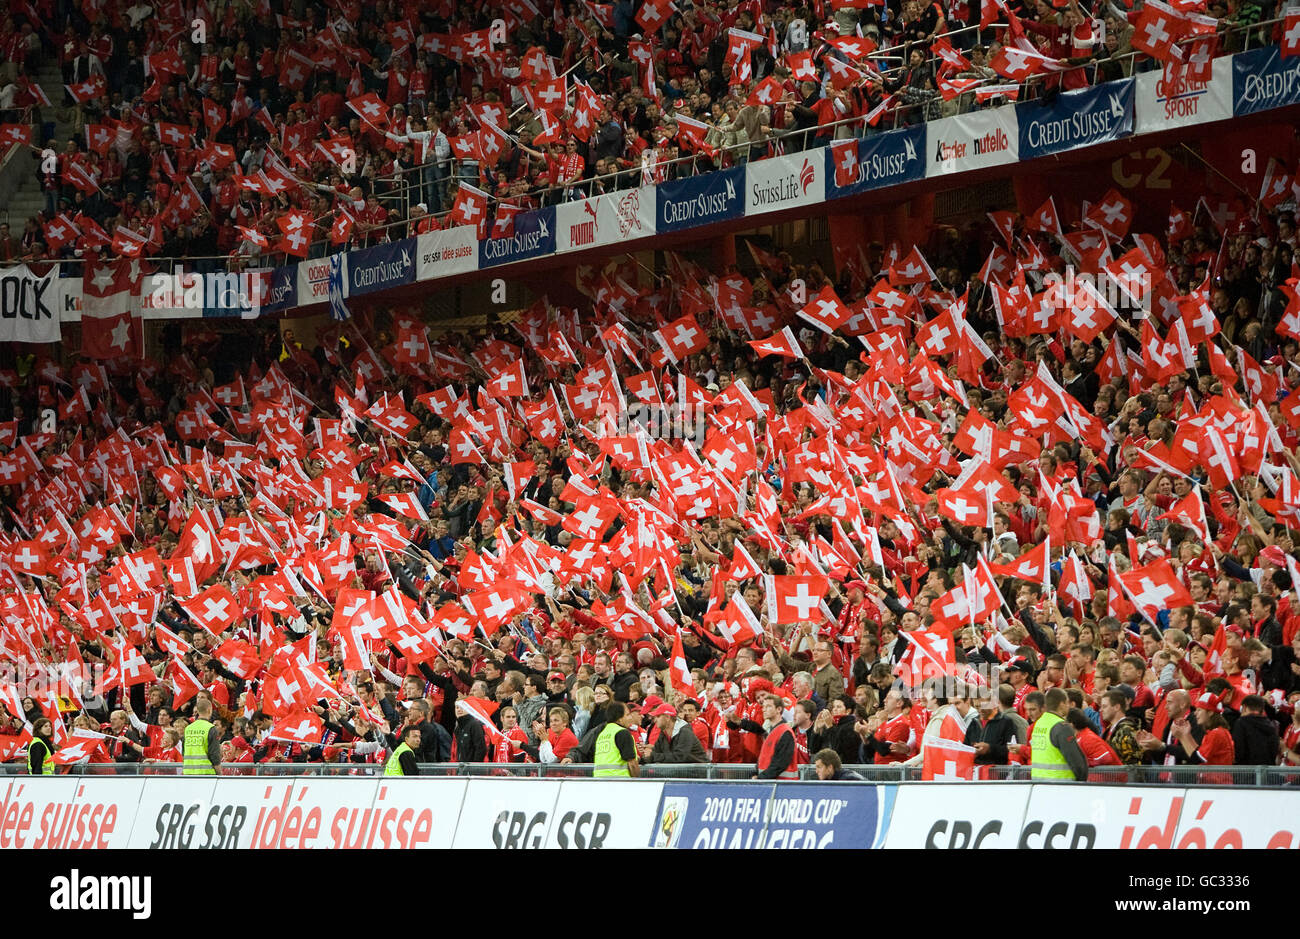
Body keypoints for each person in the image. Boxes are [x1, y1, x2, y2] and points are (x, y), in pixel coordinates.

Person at [1030, 688, 1088, 781]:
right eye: (1067, 703)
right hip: (1061, 784)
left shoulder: (1039, 723)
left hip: (1039, 784)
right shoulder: (1062, 727)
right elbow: (1074, 759)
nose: (1068, 706)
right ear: (1062, 704)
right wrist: (1082, 779)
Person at [639, 704, 707, 764]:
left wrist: (652, 756)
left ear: (668, 717)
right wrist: (643, 759)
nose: (655, 720)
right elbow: (656, 752)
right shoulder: (663, 733)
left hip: (699, 774)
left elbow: (679, 757)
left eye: (658, 716)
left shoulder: (685, 732)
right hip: (684, 773)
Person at [753, 694, 798, 780]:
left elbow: (781, 763)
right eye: (763, 707)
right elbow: (764, 757)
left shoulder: (785, 732)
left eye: (768, 706)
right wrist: (756, 773)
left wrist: (760, 777)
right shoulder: (770, 731)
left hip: (782, 787)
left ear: (779, 709)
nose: (764, 710)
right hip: (771, 784)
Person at [593, 702, 640, 777]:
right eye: (627, 715)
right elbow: (632, 764)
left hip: (599, 781)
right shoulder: (622, 733)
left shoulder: (602, 734)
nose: (630, 718)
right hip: (619, 781)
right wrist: (637, 782)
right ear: (619, 719)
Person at [1232, 694, 1280, 765]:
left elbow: (1238, 750)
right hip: (1268, 772)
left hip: (1246, 772)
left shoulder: (1241, 723)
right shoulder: (1271, 725)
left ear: (1244, 707)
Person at [183, 698, 221, 776]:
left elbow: (183, 752)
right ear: (209, 710)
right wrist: (219, 773)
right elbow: (214, 754)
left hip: (188, 773)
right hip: (206, 773)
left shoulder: (188, 728)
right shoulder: (211, 728)